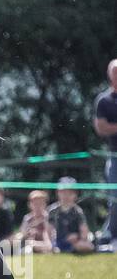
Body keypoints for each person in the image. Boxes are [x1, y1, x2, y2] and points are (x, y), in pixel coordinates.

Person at [93, 59, 117, 247]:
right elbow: (101, 128)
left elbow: (108, 126)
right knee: (114, 198)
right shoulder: (104, 100)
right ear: (110, 75)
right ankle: (111, 235)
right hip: (115, 156)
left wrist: (113, 126)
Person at [48, 178, 95, 254]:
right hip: (57, 241)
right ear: (58, 193)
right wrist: (52, 240)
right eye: (63, 192)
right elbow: (48, 230)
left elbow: (84, 231)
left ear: (75, 195)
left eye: (70, 193)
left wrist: (77, 236)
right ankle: (57, 249)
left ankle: (71, 249)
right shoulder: (53, 210)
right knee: (47, 245)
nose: (66, 196)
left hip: (74, 242)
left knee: (88, 246)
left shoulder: (78, 211)